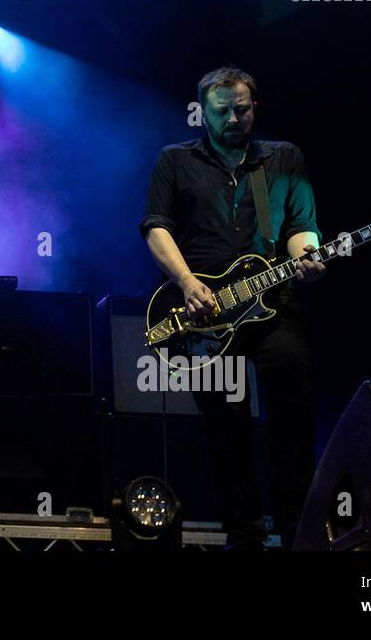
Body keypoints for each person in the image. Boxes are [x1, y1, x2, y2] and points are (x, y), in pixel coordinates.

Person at [140, 66, 324, 549]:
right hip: (202, 312)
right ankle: (243, 535)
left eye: (241, 109)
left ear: (254, 108)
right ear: (202, 111)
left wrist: (308, 255)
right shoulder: (174, 161)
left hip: (270, 301)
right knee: (226, 425)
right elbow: (156, 227)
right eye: (221, 111)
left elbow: (301, 226)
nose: (233, 119)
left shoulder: (283, 159)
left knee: (292, 396)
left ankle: (297, 527)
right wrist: (185, 281)